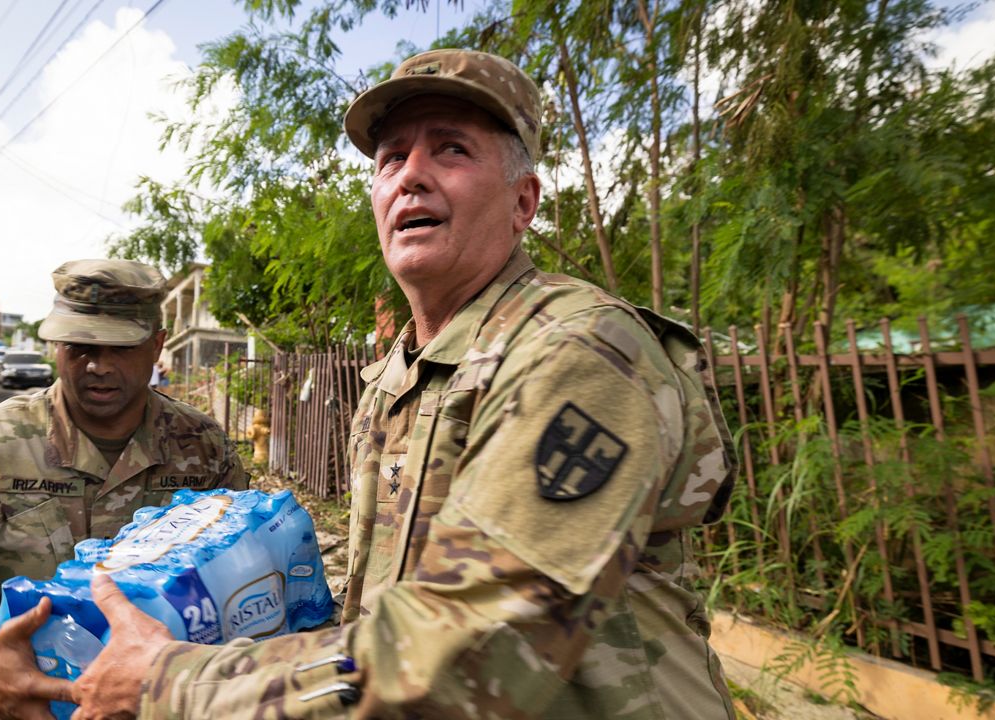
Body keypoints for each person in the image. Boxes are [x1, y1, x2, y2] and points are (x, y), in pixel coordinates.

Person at [70, 49, 738, 720]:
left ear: (523, 202)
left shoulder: (578, 350)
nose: (411, 175)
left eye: (452, 149)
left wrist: (171, 682)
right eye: (391, 158)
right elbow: (385, 611)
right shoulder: (398, 375)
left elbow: (472, 655)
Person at [0, 259, 248, 719]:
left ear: (156, 345)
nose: (98, 366)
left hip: (156, 700)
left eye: (120, 347)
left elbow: (245, 568)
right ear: (57, 345)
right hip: (16, 699)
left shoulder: (203, 448)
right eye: (79, 346)